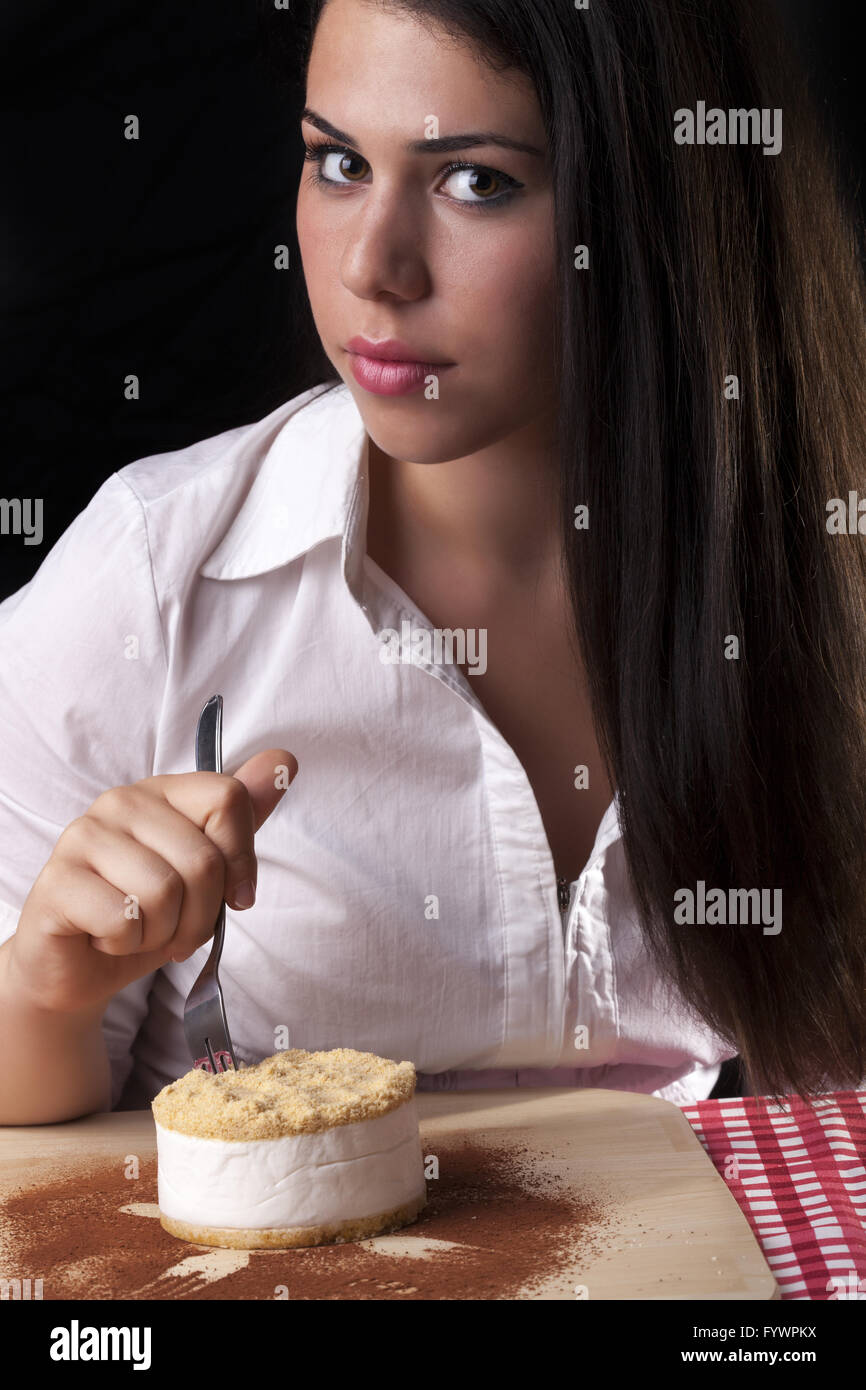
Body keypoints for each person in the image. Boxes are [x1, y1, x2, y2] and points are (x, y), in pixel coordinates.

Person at [1, 0, 865, 1126]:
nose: (373, 266)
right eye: (339, 162)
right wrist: (44, 992)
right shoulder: (149, 581)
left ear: (661, 205)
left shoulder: (828, 580)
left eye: (476, 182)